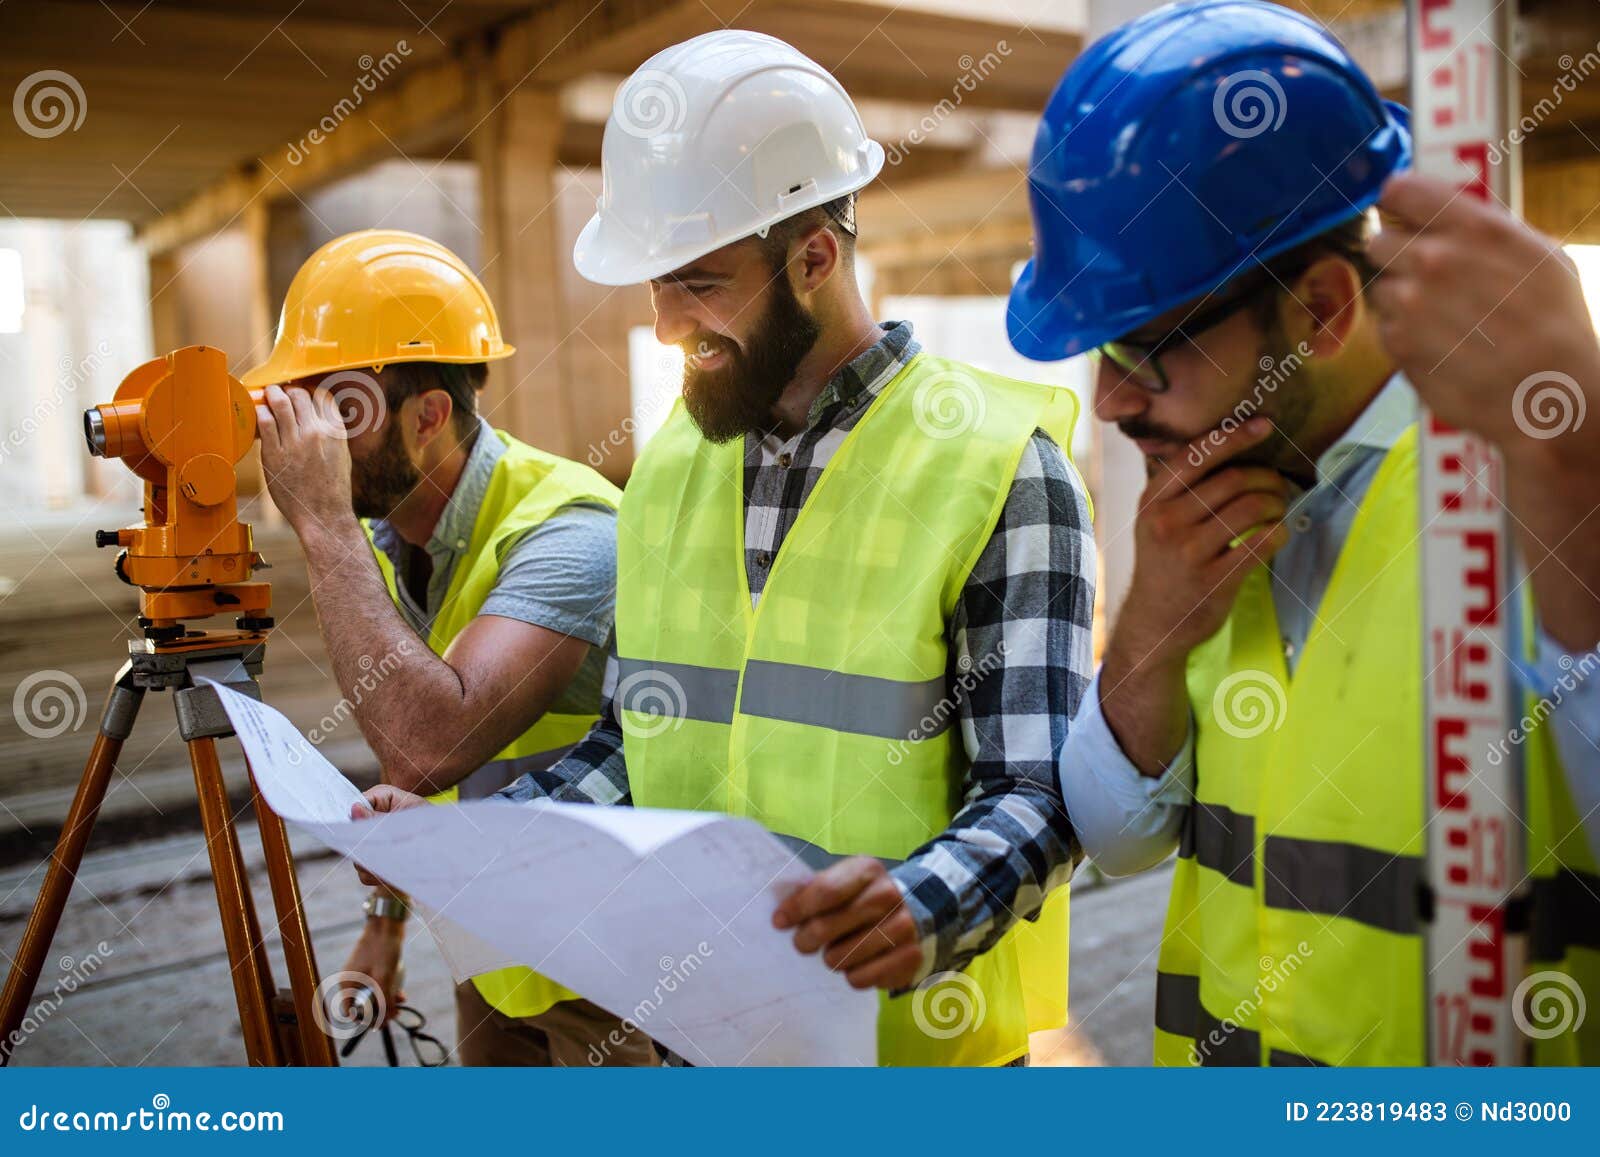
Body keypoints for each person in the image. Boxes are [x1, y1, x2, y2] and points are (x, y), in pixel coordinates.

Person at [356, 30, 1096, 1066]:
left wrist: (915, 906)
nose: (664, 324)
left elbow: (1041, 790)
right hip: (699, 1044)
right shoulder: (668, 470)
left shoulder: (996, 467)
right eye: (654, 285)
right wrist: (475, 844)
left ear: (814, 256)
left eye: (698, 283)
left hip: (915, 1060)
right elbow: (637, 744)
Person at [1009, 0, 1600, 1065]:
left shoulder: (1522, 488)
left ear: (1322, 309)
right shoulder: (1212, 504)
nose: (1106, 403)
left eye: (1144, 351)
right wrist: (1150, 627)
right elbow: (1117, 837)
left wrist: (1572, 468)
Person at [245, 230, 655, 1066]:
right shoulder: (393, 535)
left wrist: (321, 521)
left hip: (605, 963)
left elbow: (426, 738)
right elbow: (417, 749)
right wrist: (387, 928)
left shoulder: (567, 532)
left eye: (338, 409)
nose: (310, 437)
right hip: (493, 943)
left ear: (429, 416)